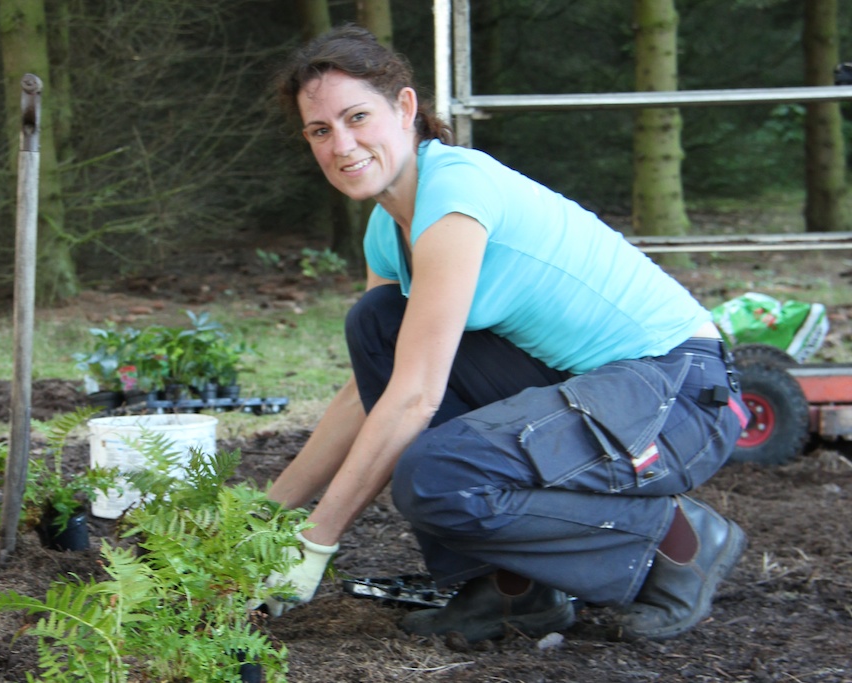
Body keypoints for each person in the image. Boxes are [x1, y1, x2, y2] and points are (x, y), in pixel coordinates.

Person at [263, 24, 749, 643]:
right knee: (376, 324)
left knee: (438, 474)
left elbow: (414, 399)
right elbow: (371, 391)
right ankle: (510, 591)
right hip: (597, 392)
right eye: (320, 130)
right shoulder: (388, 231)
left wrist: (314, 543)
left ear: (405, 107)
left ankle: (680, 542)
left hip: (677, 394)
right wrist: (263, 522)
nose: (343, 144)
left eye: (358, 117)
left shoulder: (457, 194)